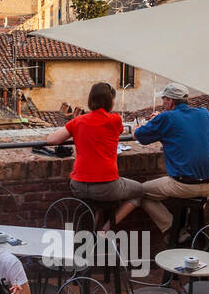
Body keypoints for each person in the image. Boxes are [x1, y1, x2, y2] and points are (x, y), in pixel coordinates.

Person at [130, 83, 209, 245]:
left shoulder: (166, 118)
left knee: (139, 192)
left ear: (170, 101)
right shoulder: (204, 113)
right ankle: (192, 231)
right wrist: (161, 120)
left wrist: (151, 122)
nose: (163, 103)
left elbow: (138, 136)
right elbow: (185, 129)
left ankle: (175, 229)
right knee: (191, 192)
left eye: (164, 99)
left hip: (184, 186)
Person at [45, 82, 143, 228]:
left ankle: (93, 233)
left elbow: (52, 140)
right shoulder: (115, 120)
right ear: (110, 101)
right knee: (140, 191)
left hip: (78, 186)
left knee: (98, 202)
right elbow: (123, 131)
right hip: (106, 187)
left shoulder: (77, 121)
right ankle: (105, 229)